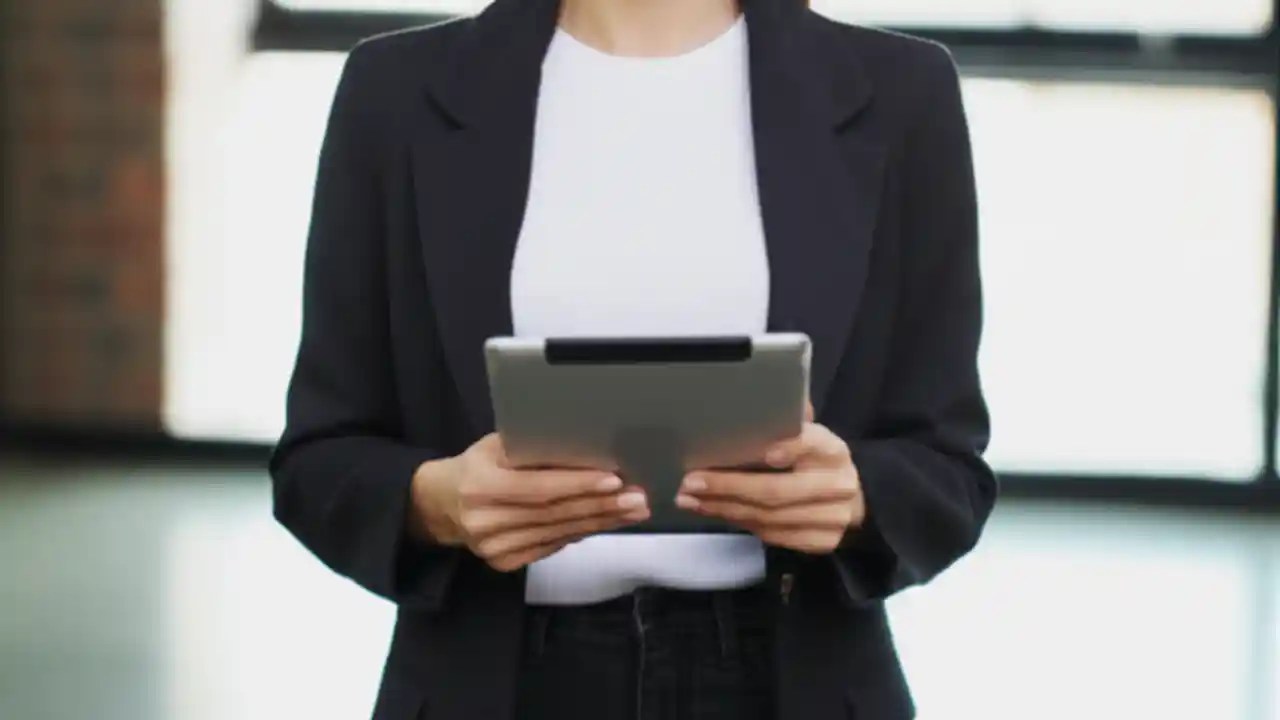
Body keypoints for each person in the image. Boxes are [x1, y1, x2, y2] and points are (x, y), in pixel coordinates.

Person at [268, 0, 996, 717]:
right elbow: (319, 461)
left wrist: (857, 498)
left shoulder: (904, 96)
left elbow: (949, 472)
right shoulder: (395, 92)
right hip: (495, 679)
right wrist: (440, 504)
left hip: (789, 677)